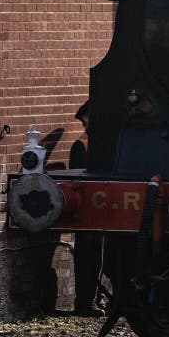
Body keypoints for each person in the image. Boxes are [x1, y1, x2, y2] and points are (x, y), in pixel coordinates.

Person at [70, 100, 103, 316]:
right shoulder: (82, 145)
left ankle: (95, 298)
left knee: (98, 255)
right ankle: (85, 301)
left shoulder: (101, 143)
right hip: (87, 212)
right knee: (87, 254)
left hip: (102, 211)